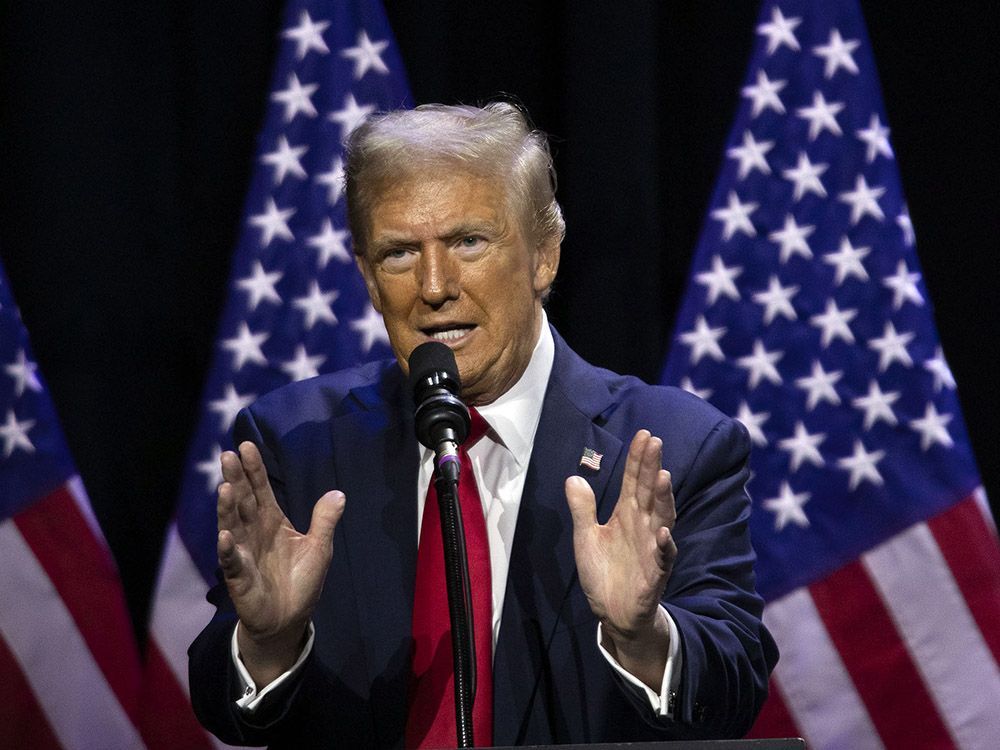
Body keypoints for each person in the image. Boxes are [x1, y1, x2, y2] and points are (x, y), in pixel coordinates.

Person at [189, 102, 778, 748]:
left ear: (543, 255)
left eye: (468, 241)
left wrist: (644, 637)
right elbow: (223, 699)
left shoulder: (677, 448)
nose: (434, 286)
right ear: (365, 275)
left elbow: (736, 683)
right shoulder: (295, 445)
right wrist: (269, 643)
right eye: (398, 253)